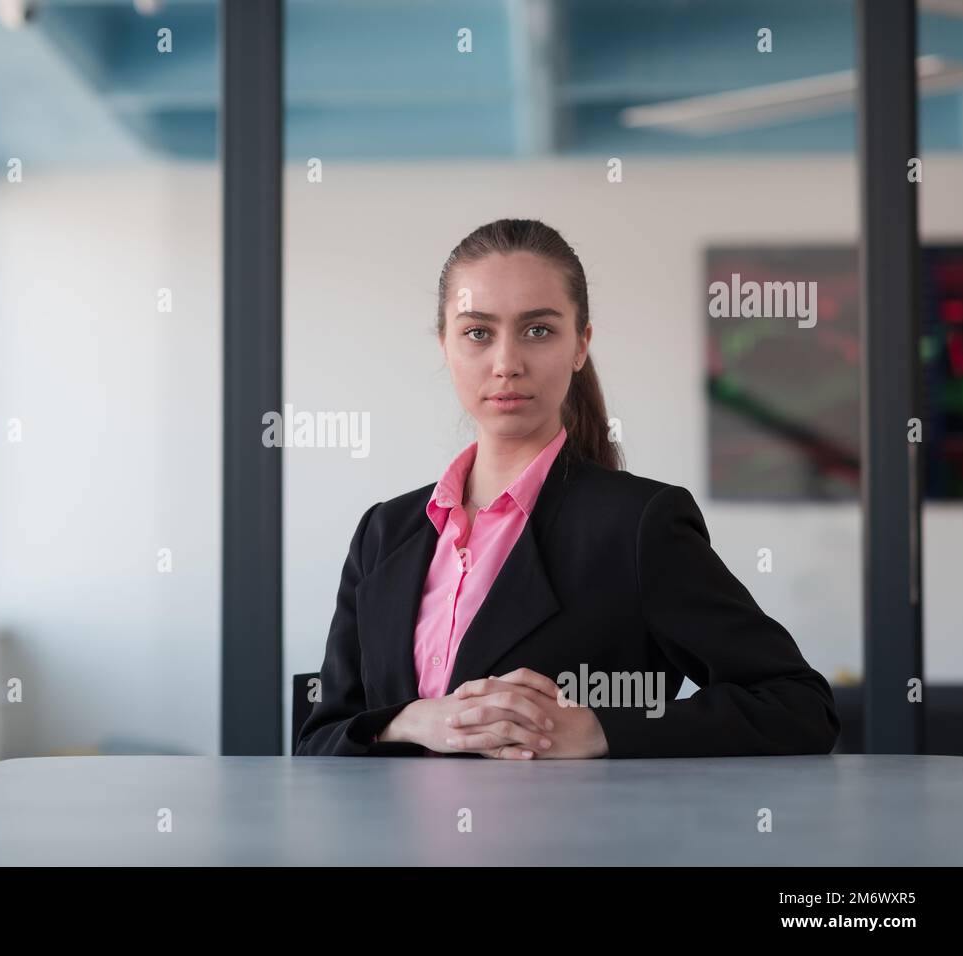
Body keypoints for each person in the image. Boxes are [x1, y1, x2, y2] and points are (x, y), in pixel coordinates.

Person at [295, 218, 840, 759]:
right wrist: (409, 721)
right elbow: (320, 740)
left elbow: (798, 706)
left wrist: (600, 731)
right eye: (477, 332)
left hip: (574, 846)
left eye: (538, 330)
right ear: (445, 344)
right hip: (391, 848)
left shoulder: (639, 524)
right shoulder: (384, 533)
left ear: (580, 345)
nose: (506, 363)